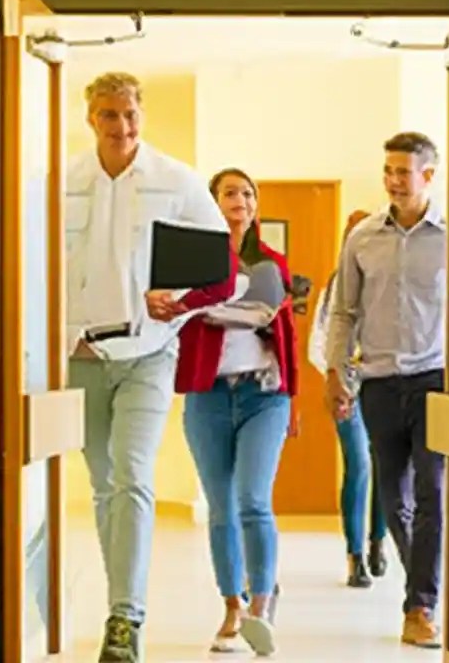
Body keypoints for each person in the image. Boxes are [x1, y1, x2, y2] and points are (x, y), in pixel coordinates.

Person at [64, 71, 228, 663]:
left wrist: (178, 304)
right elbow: (28, 264)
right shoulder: (62, 182)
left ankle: (124, 618)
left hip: (149, 353)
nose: (123, 127)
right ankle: (120, 604)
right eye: (110, 115)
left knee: (133, 477)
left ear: (141, 114)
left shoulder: (176, 180)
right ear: (92, 119)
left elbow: (220, 270)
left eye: (131, 114)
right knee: (104, 485)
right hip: (80, 355)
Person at [323, 132, 448, 649]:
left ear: (428, 175)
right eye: (389, 171)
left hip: (436, 379)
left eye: (405, 171)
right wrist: (335, 372)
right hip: (376, 381)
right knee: (392, 495)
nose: (395, 180)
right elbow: (343, 311)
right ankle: (424, 573)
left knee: (432, 491)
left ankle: (420, 604)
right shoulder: (362, 238)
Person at [176, 168, 300, 657]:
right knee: (221, 507)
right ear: (212, 203)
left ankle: (261, 605)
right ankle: (232, 605)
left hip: (264, 395)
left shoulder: (271, 262)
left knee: (253, 499)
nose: (241, 200)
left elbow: (270, 319)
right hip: (207, 395)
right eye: (230, 193)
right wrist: (213, 307)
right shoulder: (194, 263)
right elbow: (181, 314)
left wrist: (210, 309)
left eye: (248, 193)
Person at [308, 209, 389, 588]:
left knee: (386, 467)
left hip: (382, 385)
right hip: (347, 389)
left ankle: (378, 541)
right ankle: (354, 554)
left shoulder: (386, 279)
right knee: (359, 465)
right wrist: (338, 375)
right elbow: (318, 342)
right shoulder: (334, 287)